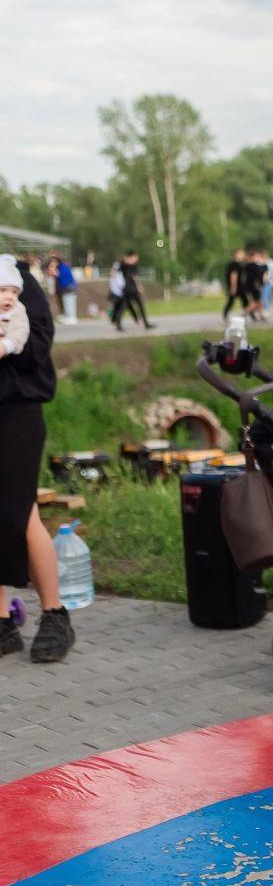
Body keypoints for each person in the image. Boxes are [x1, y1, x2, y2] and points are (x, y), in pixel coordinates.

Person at [0, 255, 73, 663]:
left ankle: (55, 614)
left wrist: (6, 343)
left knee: (19, 513)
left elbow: (37, 347)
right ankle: (3, 623)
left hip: (16, 412)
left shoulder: (20, 282)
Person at [110, 251, 153, 331]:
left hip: (126, 288)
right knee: (139, 305)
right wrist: (139, 286)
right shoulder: (132, 266)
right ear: (133, 257)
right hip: (132, 288)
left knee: (123, 307)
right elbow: (134, 276)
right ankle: (145, 323)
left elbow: (115, 270)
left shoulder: (124, 265)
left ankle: (118, 324)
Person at [48, 253, 77, 325]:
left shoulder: (62, 267)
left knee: (69, 301)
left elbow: (60, 276)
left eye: (54, 261)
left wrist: (54, 272)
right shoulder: (61, 267)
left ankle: (71, 317)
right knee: (67, 302)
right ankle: (68, 316)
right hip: (66, 288)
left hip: (68, 287)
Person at [222, 249, 248, 320]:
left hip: (238, 286)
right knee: (232, 301)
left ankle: (249, 315)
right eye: (241, 254)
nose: (243, 255)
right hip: (236, 286)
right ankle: (225, 314)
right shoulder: (234, 264)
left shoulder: (239, 264)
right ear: (236, 255)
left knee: (244, 300)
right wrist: (233, 287)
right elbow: (234, 276)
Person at [261, 253, 273, 318]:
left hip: (270, 281)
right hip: (265, 281)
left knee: (267, 296)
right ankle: (266, 309)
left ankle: (267, 309)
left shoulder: (272, 262)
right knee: (265, 295)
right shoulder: (262, 262)